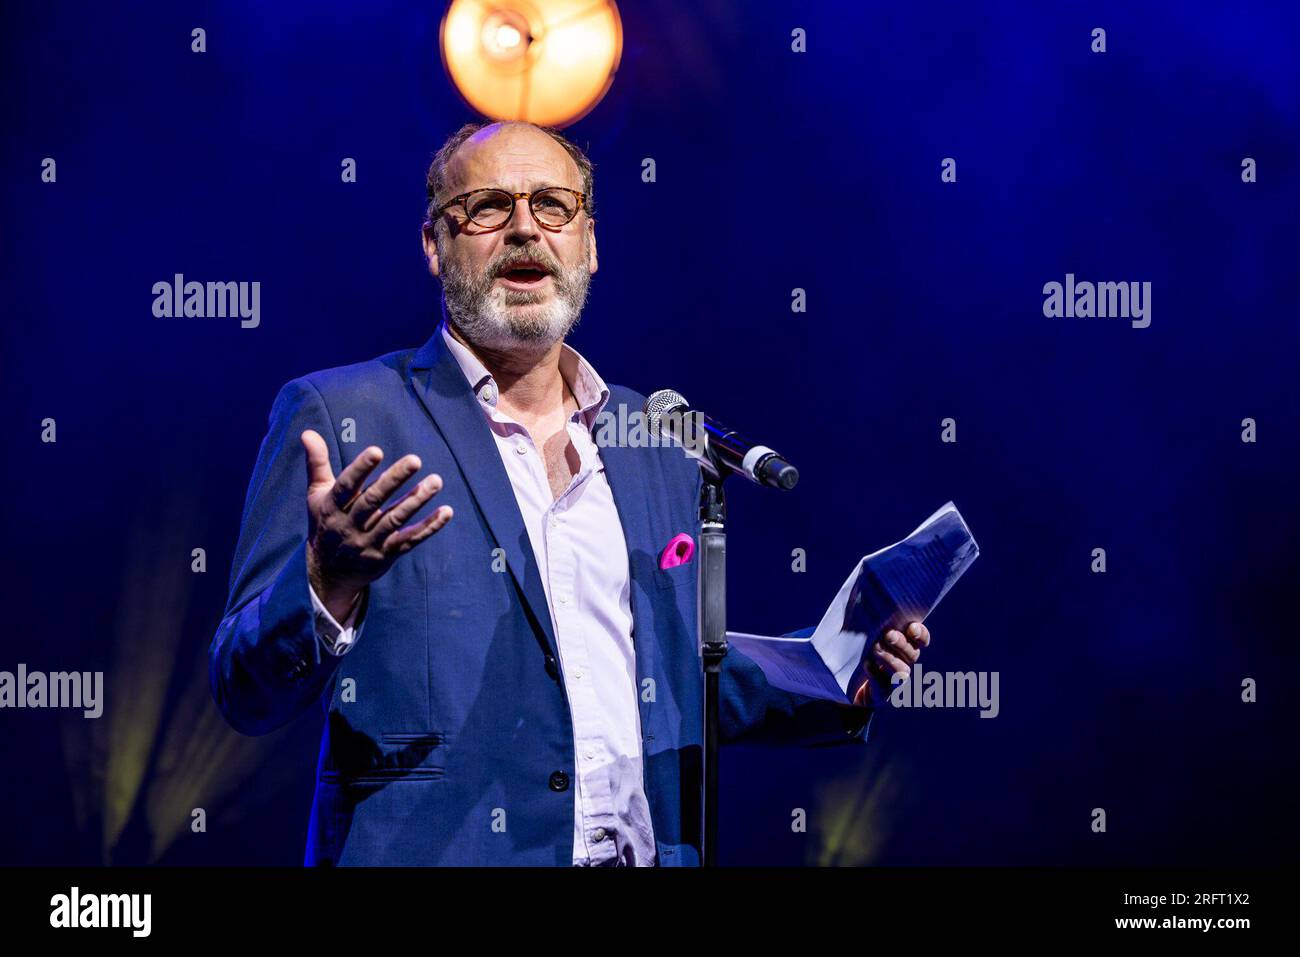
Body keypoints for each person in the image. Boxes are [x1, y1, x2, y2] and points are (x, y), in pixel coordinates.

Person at [208, 120, 932, 866]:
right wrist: (327, 583)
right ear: (434, 245)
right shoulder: (344, 414)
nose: (525, 227)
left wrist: (842, 669)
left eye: (553, 206)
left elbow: (666, 673)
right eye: (487, 206)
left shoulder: (653, 436)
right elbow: (243, 687)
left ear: (589, 243)